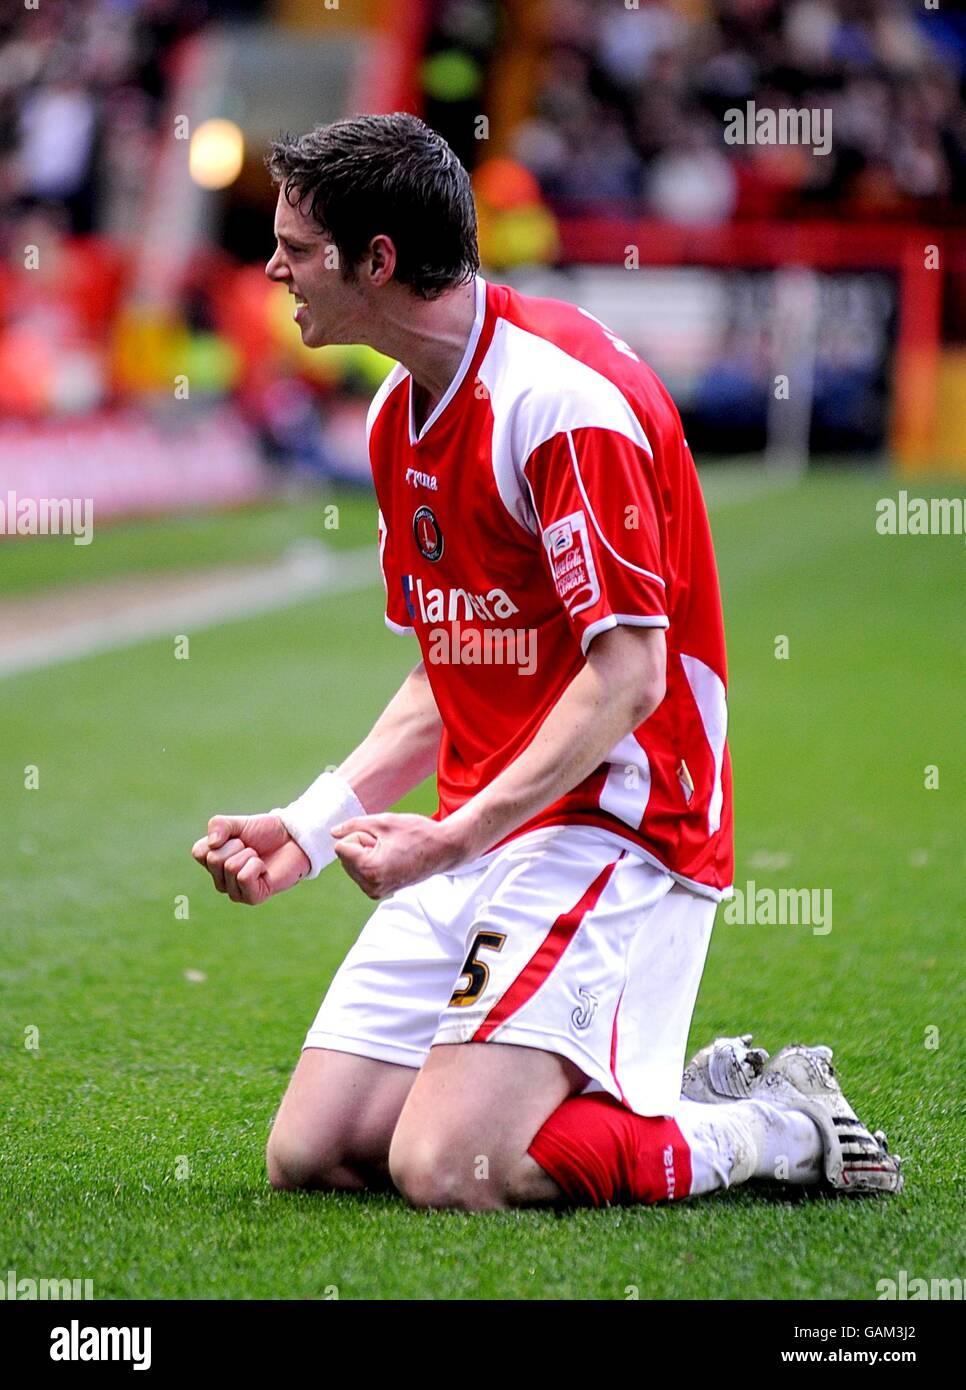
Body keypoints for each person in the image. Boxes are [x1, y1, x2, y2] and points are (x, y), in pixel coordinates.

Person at [192, 113, 902, 1210]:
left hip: (620, 820)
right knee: (316, 1151)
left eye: (295, 245)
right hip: (481, 829)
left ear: (378, 260)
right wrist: (309, 827)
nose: (272, 266)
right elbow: (447, 671)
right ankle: (637, 1090)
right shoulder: (395, 416)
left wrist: (454, 836)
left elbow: (630, 678)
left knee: (446, 1166)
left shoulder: (560, 404)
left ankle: (769, 1127)